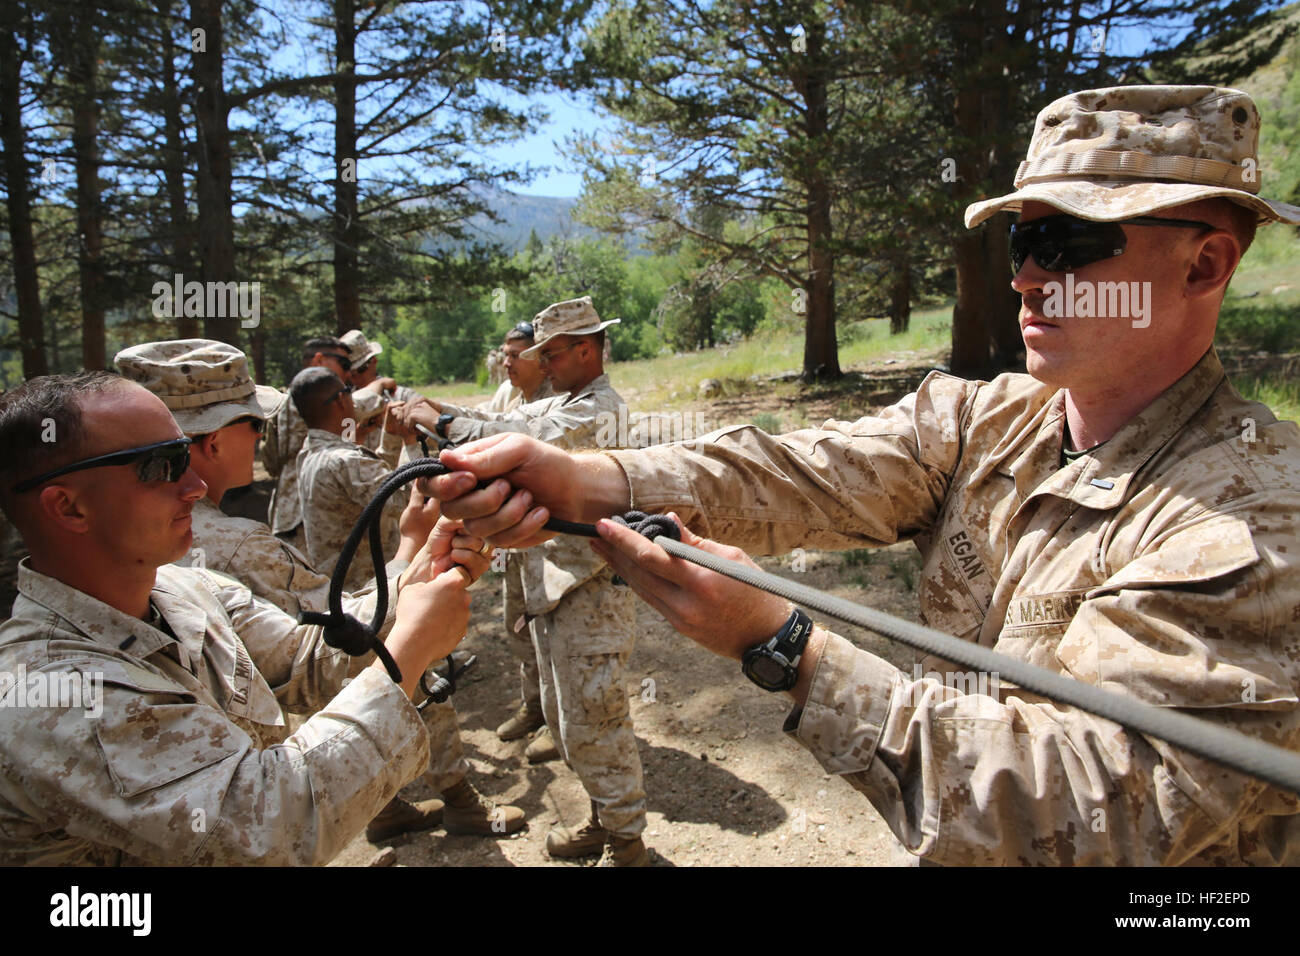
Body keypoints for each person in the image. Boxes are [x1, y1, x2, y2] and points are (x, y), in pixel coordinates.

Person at [422, 86, 1300, 866]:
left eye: (1071, 241)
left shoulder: (1258, 517)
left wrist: (784, 647)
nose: (1031, 277)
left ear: (1205, 264)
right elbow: (803, 471)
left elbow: (1090, 810)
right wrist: (591, 480)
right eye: (1023, 240)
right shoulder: (986, 420)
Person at [0, 370, 491, 864]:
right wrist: (406, 655)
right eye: (161, 465)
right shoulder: (51, 692)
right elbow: (272, 831)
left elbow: (307, 662)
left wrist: (423, 566)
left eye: (184, 455)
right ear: (68, 506)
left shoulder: (181, 589)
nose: (194, 486)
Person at [115, 339, 514, 841]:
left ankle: (391, 808)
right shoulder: (232, 544)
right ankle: (456, 799)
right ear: (214, 442)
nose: (262, 439)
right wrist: (415, 621)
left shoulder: (165, 555)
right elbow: (330, 658)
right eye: (254, 425)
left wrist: (413, 548)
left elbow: (298, 658)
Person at [395, 297, 648, 866]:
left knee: (597, 715)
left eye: (552, 353)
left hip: (590, 587)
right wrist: (437, 412)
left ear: (587, 349)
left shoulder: (598, 408)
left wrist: (437, 419)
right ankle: (603, 818)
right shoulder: (563, 400)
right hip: (554, 582)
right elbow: (513, 420)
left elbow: (513, 431)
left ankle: (628, 843)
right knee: (567, 718)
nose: (544, 365)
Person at [261, 336, 394, 548]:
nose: (348, 373)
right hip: (303, 516)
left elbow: (270, 459)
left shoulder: (287, 399)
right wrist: (380, 385)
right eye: (344, 364)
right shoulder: (309, 396)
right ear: (320, 360)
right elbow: (358, 406)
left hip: (291, 511)